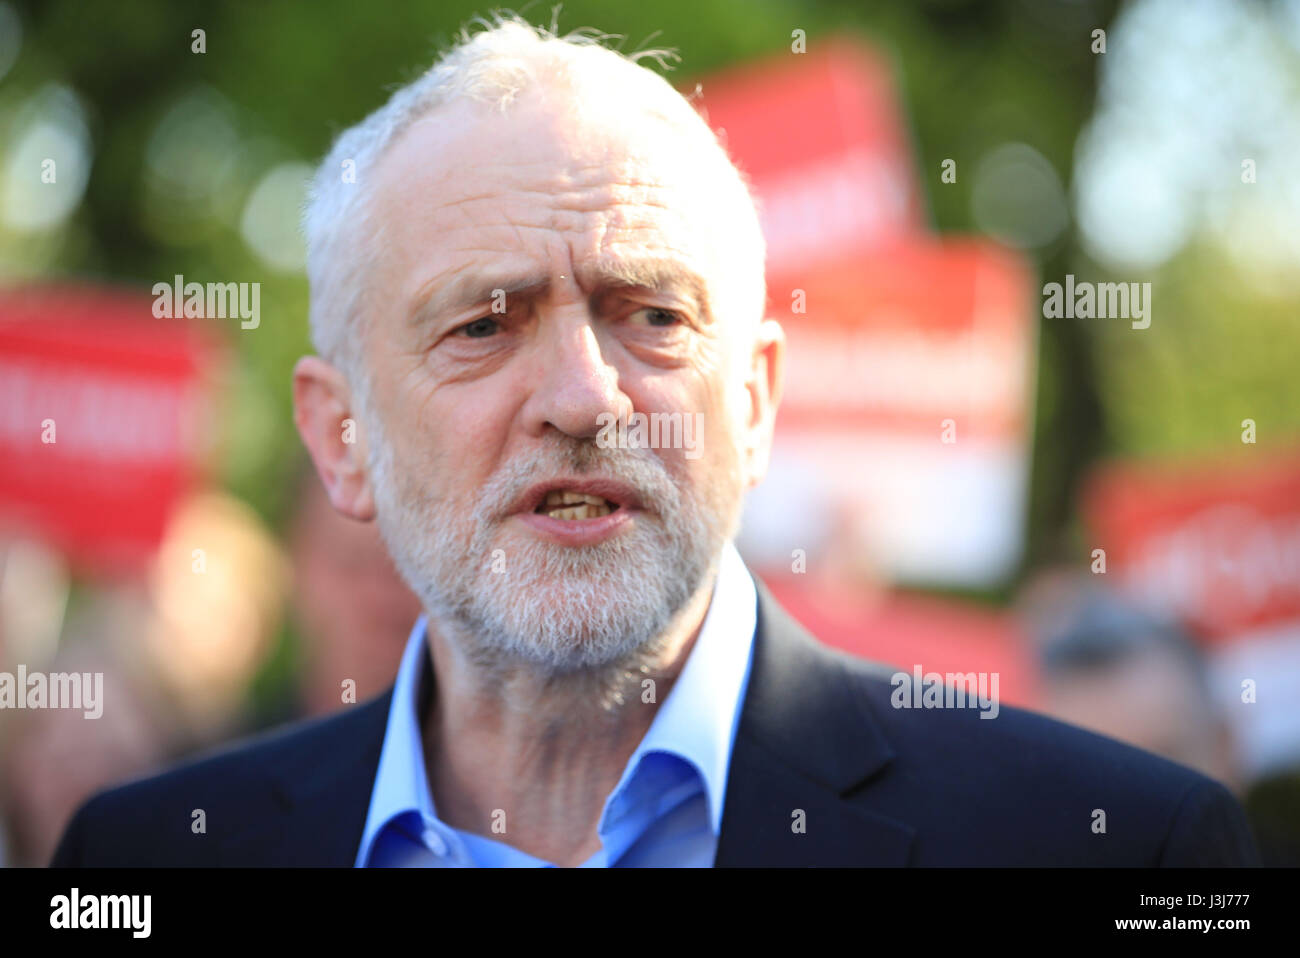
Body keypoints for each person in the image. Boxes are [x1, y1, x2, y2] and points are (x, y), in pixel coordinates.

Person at [51, 15, 1258, 867]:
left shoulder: (1107, 849)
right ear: (340, 435)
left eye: (653, 316)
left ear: (755, 399)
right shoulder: (144, 857)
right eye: (483, 322)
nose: (583, 395)